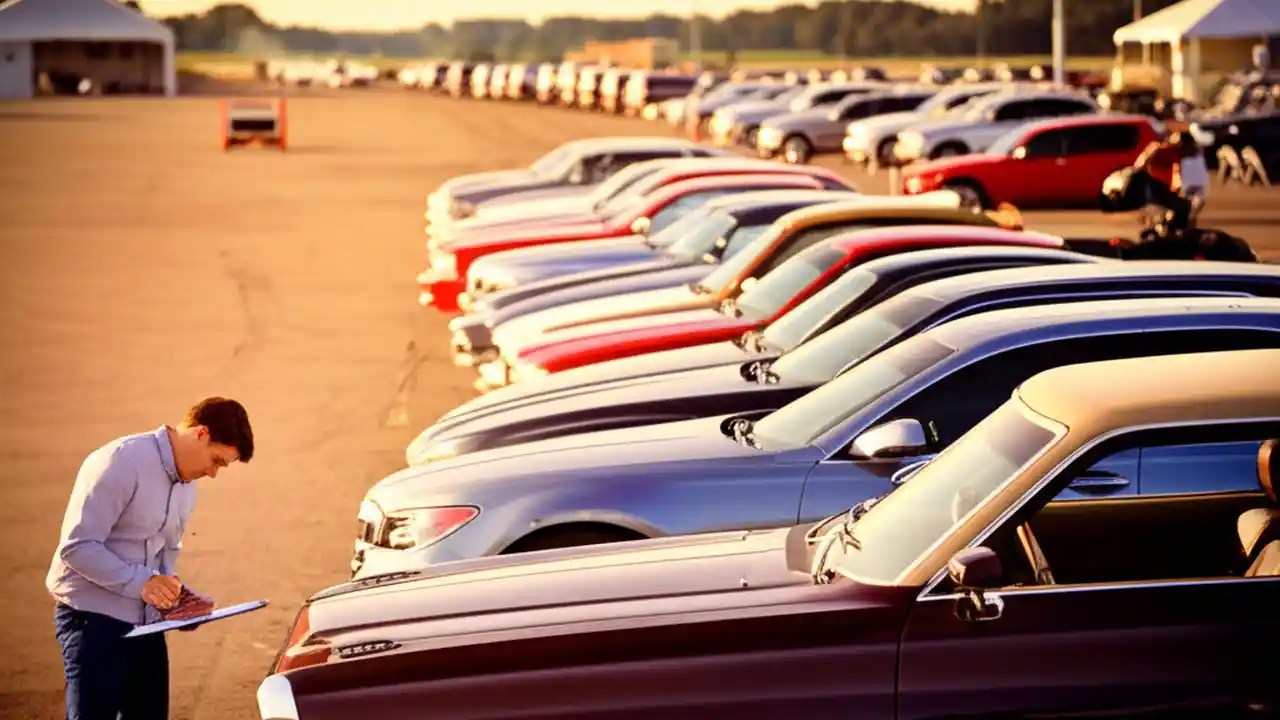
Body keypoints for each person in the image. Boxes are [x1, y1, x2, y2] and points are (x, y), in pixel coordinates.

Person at [48, 398, 254, 720]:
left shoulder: (187, 488)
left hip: (146, 628)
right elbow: (76, 547)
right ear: (200, 433)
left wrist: (177, 601)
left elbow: (163, 560)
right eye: (216, 461)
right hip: (92, 624)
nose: (213, 474)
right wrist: (144, 583)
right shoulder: (120, 462)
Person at [1132, 129, 1209, 230]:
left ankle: (1185, 232)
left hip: (1165, 189)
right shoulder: (1156, 148)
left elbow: (1177, 172)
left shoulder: (1175, 153)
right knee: (1174, 211)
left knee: (1184, 210)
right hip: (1153, 188)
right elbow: (1139, 166)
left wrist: (1175, 190)